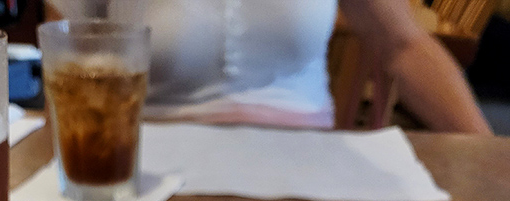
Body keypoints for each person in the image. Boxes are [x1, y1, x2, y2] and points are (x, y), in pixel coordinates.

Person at [46, 0, 491, 133]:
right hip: (146, 172)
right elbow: (65, 66)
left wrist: (493, 165)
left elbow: (405, 46)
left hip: (304, 175)